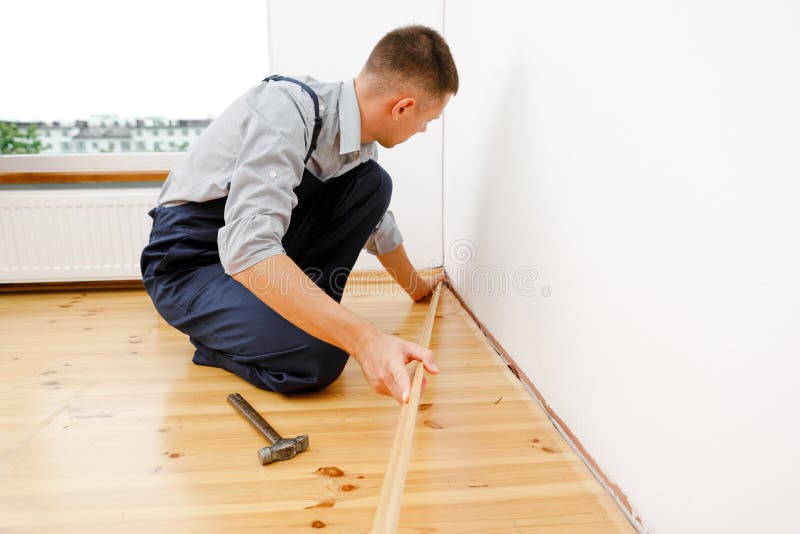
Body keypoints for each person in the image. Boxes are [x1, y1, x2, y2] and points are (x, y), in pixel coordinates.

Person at [140, 25, 458, 405]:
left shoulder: (359, 151)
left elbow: (379, 227)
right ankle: (219, 340)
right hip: (190, 263)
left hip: (248, 261)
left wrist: (416, 287)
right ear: (402, 107)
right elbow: (249, 248)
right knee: (320, 357)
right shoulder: (286, 110)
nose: (423, 130)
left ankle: (280, 320)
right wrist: (366, 340)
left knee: (373, 183)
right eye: (428, 120)